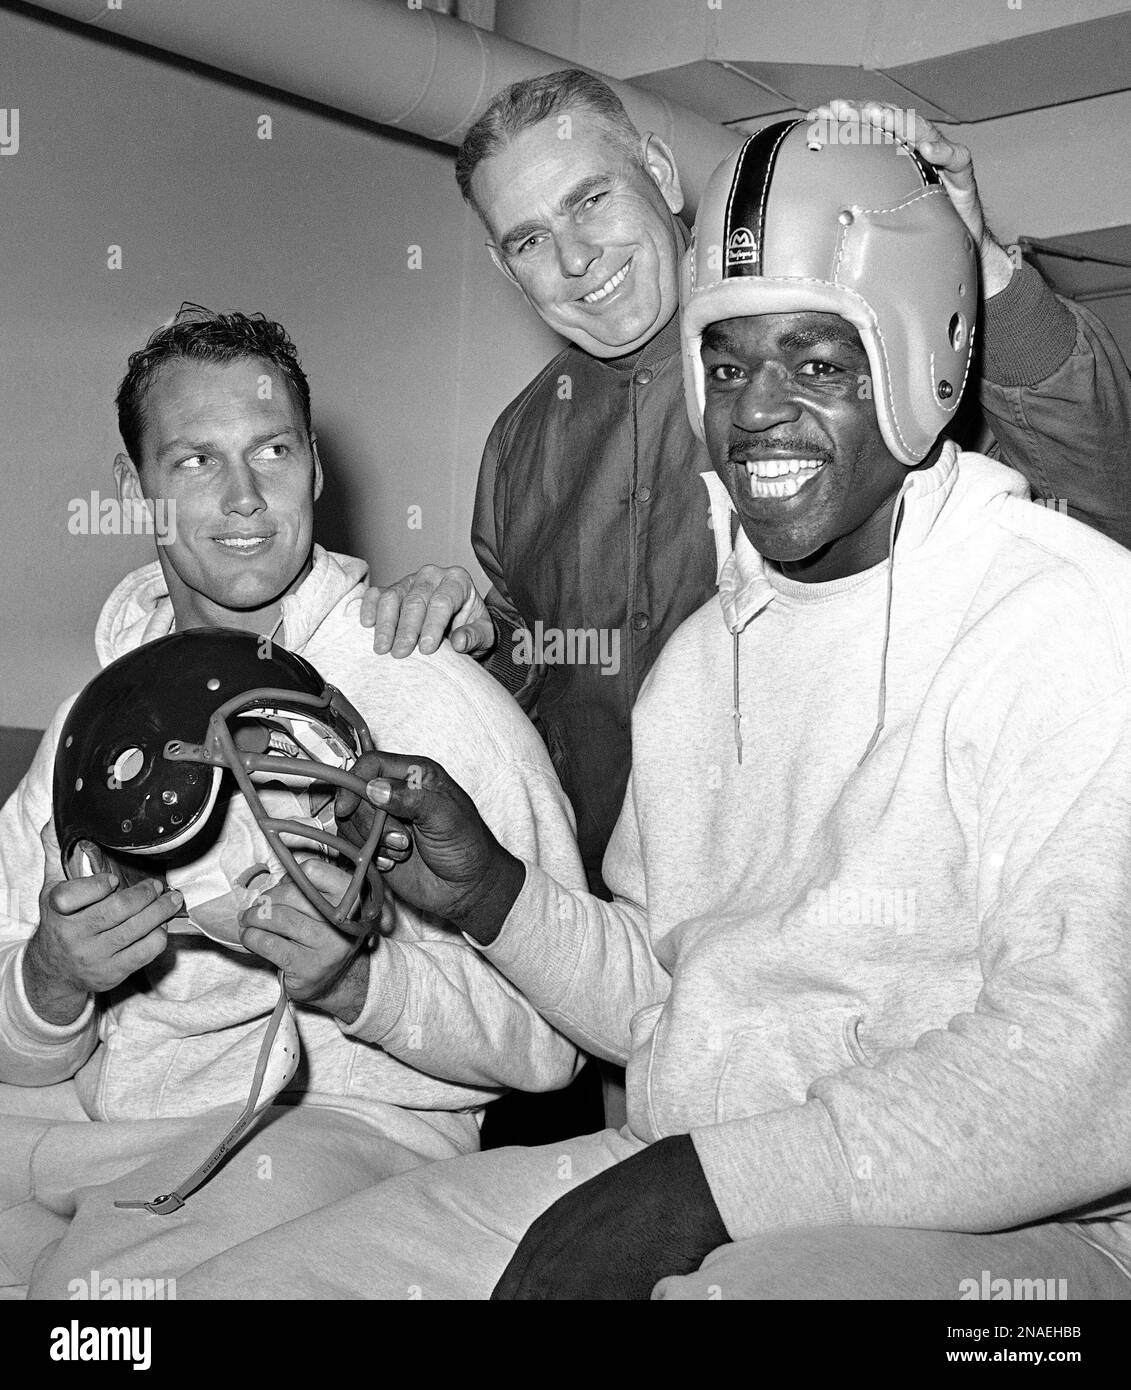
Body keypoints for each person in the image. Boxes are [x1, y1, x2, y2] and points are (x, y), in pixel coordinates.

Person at [178, 120, 1131, 1302]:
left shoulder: (1065, 616)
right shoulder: (697, 660)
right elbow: (674, 995)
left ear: (922, 362)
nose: (758, 415)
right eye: (726, 369)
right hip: (687, 1155)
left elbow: (1091, 1071)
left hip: (1016, 1233)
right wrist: (495, 895)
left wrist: (705, 1189)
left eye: (819, 364)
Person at [363, 76, 1131, 902]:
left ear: (660, 175)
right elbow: (539, 649)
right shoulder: (519, 442)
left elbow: (1097, 475)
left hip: (857, 912)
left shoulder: (859, 340)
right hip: (612, 926)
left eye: (590, 200)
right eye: (528, 240)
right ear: (503, 267)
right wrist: (471, 642)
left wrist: (970, 262)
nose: (575, 259)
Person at [0, 308, 583, 1299]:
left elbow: (553, 1037)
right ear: (131, 487)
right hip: (102, 1133)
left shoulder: (429, 691)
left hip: (342, 1134)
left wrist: (363, 982)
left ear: (315, 465)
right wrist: (53, 981)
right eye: (192, 460)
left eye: (271, 450)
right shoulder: (93, 724)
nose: (243, 499)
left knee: (102, 1311)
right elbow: (21, 1047)